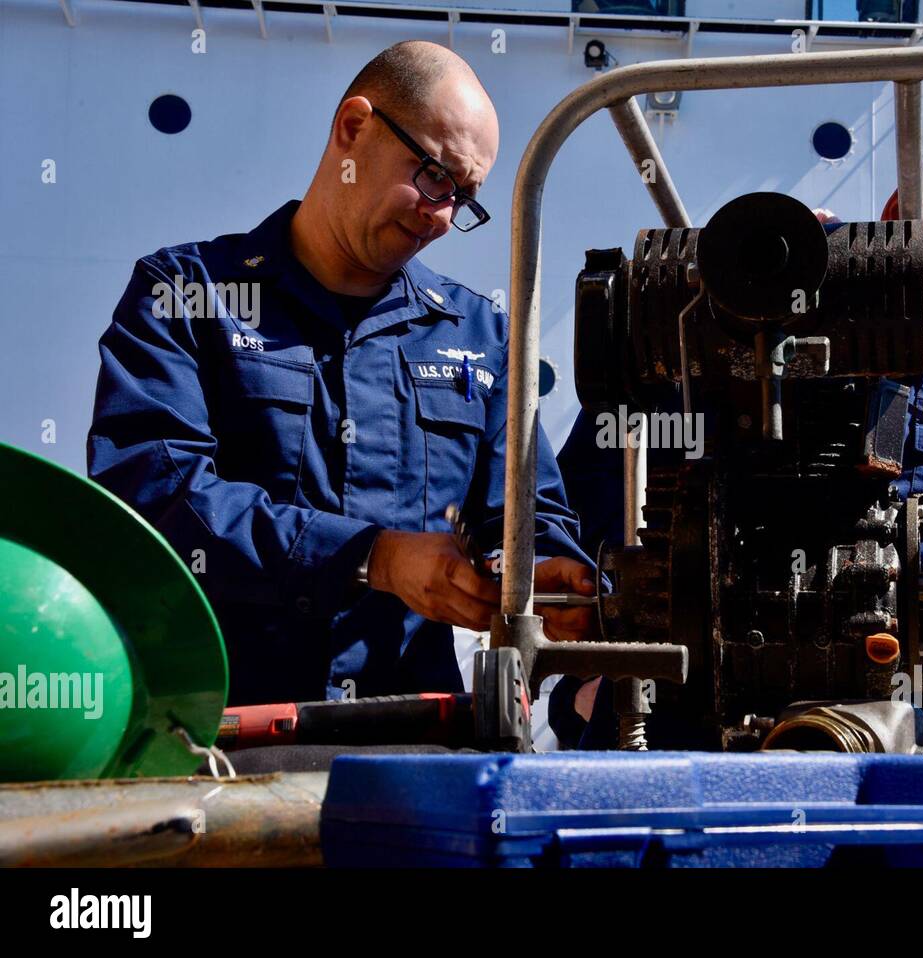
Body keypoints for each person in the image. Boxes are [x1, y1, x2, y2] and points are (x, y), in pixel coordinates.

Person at [87, 41, 596, 707]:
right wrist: (371, 556)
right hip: (218, 739)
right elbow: (154, 497)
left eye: (464, 199)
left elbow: (523, 516)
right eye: (435, 176)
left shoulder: (482, 337)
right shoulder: (186, 296)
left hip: (416, 746)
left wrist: (544, 575)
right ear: (353, 127)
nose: (441, 216)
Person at [550, 129, 923, 746]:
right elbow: (581, 505)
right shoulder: (721, 308)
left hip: (907, 729)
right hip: (677, 714)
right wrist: (595, 669)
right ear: (896, 216)